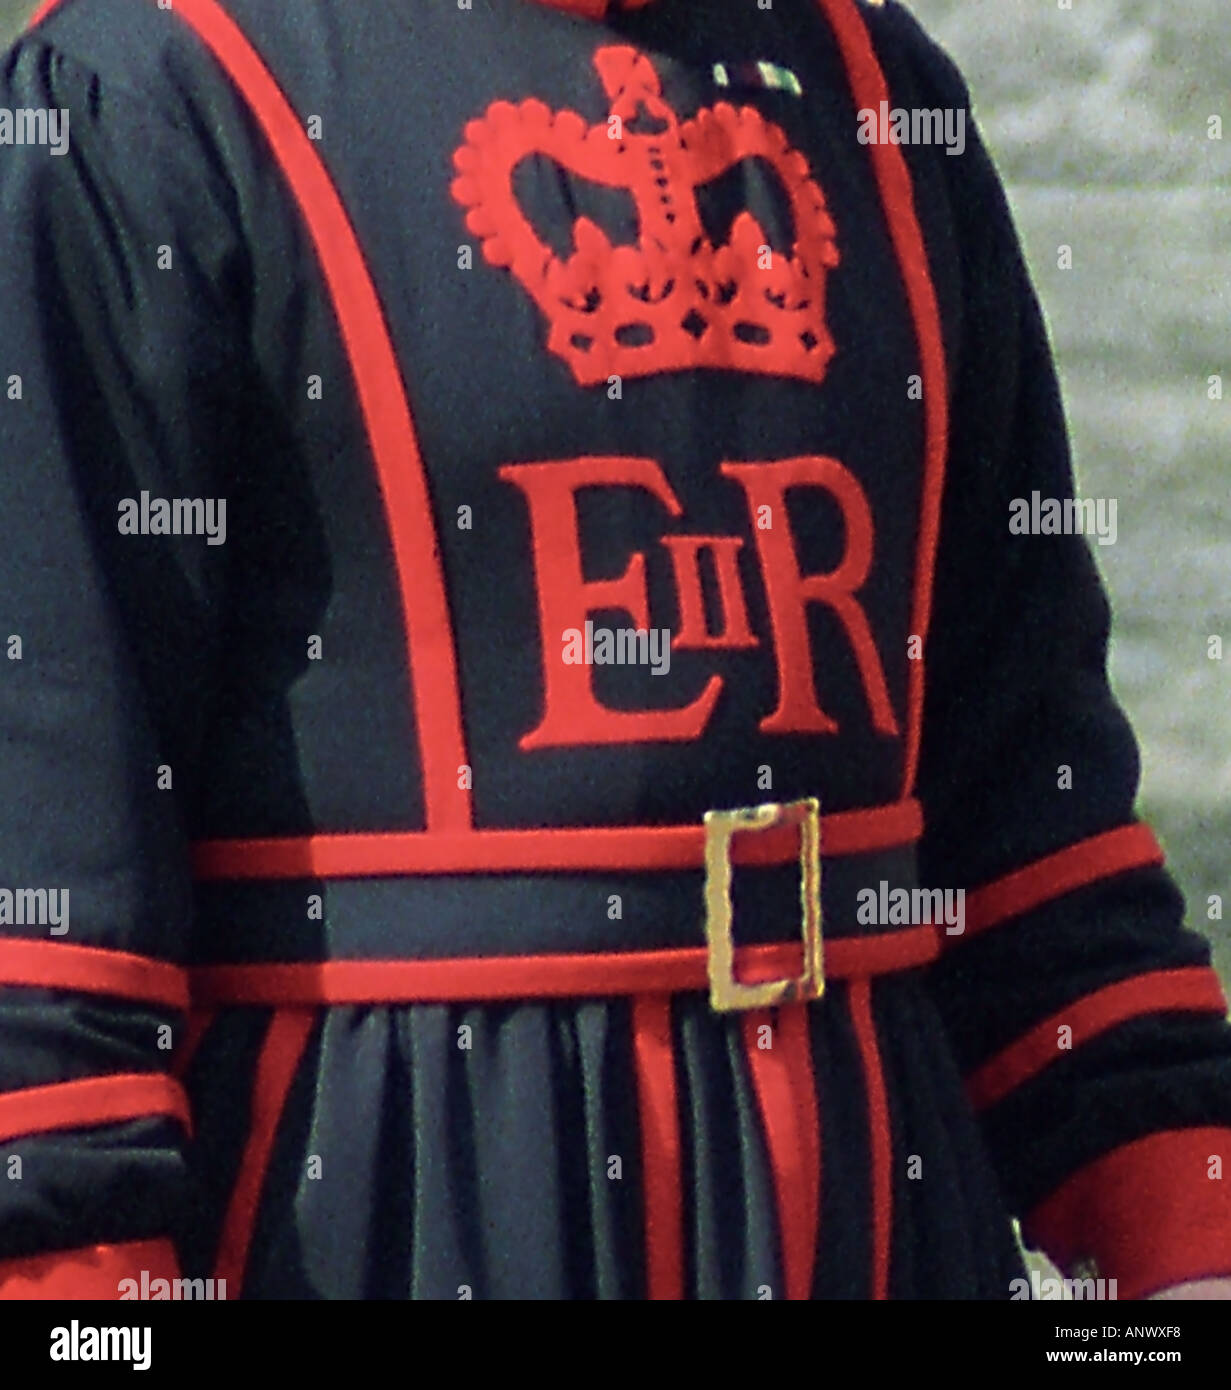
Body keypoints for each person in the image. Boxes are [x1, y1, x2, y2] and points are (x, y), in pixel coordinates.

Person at [0, 0, 1228, 1301]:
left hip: (887, 1223)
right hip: (385, 1207)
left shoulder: (883, 81)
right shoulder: (139, 90)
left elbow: (1035, 837)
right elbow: (46, 897)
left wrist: (1186, 1255)